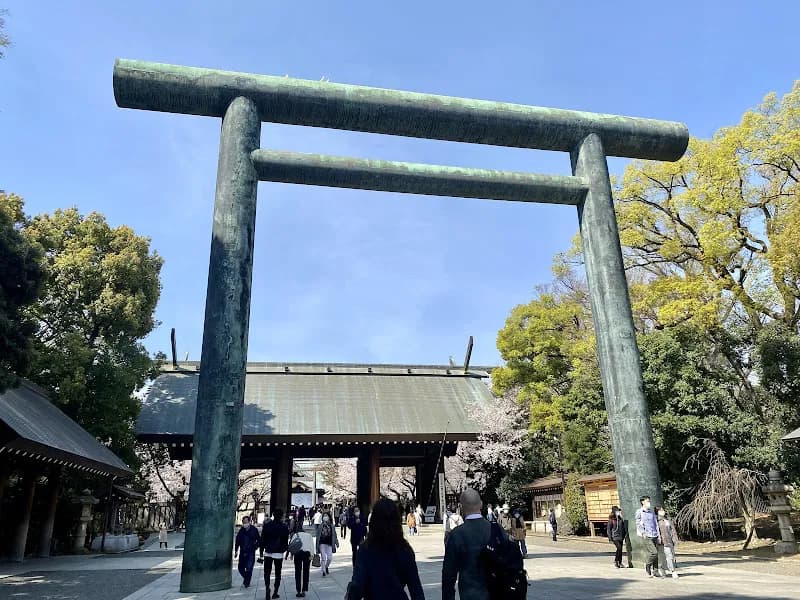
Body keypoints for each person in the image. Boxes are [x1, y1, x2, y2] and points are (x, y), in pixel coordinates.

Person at [345, 498, 424, 599]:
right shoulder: (405, 550)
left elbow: (357, 587)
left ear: (373, 521)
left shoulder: (365, 550)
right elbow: (416, 589)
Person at [442, 488, 494, 600]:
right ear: (481, 504)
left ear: (461, 507)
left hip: (469, 592)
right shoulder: (496, 530)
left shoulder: (456, 535)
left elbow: (448, 574)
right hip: (497, 592)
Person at [260, 508, 290, 599]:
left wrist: (261, 551)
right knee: (278, 573)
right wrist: (284, 550)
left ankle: (267, 588)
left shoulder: (267, 525)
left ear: (273, 515)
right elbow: (285, 541)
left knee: (267, 572)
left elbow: (262, 539)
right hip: (278, 553)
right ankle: (275, 592)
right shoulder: (284, 527)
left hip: (268, 552)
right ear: (281, 516)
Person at [635, 496, 661, 578]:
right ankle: (648, 564)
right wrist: (643, 532)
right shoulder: (639, 512)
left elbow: (655, 523)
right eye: (647, 501)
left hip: (654, 534)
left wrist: (658, 535)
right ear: (643, 502)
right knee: (654, 552)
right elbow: (638, 523)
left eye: (649, 501)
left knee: (656, 554)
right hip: (647, 535)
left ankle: (656, 571)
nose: (649, 503)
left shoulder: (651, 512)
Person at [234, 515, 260, 588]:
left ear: (249, 522)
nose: (245, 523)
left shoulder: (254, 529)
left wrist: (256, 547)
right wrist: (236, 550)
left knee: (249, 568)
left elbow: (259, 539)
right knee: (240, 568)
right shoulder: (241, 530)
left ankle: (247, 582)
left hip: (251, 551)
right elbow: (237, 540)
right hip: (242, 551)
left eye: (246, 522)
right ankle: (247, 578)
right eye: (244, 522)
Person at [291, 524, 314, 598]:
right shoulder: (309, 535)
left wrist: (291, 555)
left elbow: (292, 545)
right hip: (307, 554)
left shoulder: (295, 535)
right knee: (306, 571)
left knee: (297, 571)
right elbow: (311, 546)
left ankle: (298, 590)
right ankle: (304, 590)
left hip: (298, 554)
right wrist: (312, 555)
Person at [656, 506, 679, 578]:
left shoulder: (668, 520)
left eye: (663, 510)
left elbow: (673, 531)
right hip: (661, 542)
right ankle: (669, 571)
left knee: (670, 556)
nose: (662, 511)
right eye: (660, 510)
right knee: (663, 557)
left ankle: (671, 570)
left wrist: (675, 539)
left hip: (669, 541)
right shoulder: (656, 521)